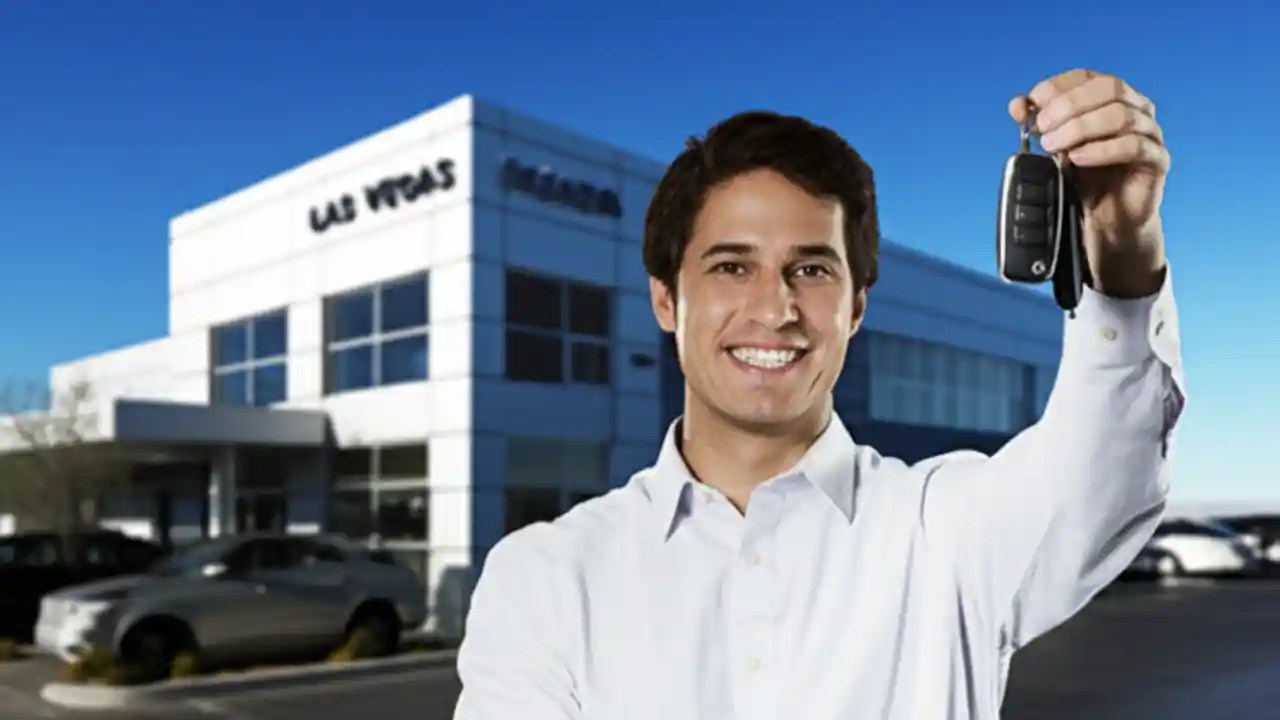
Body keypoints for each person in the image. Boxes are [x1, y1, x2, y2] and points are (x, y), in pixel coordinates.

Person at [453, 68, 1186, 719]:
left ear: (855, 307)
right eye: (732, 267)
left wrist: (1119, 246)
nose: (774, 310)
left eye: (810, 271)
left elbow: (1106, 470)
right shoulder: (546, 578)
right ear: (666, 300)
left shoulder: (946, 533)